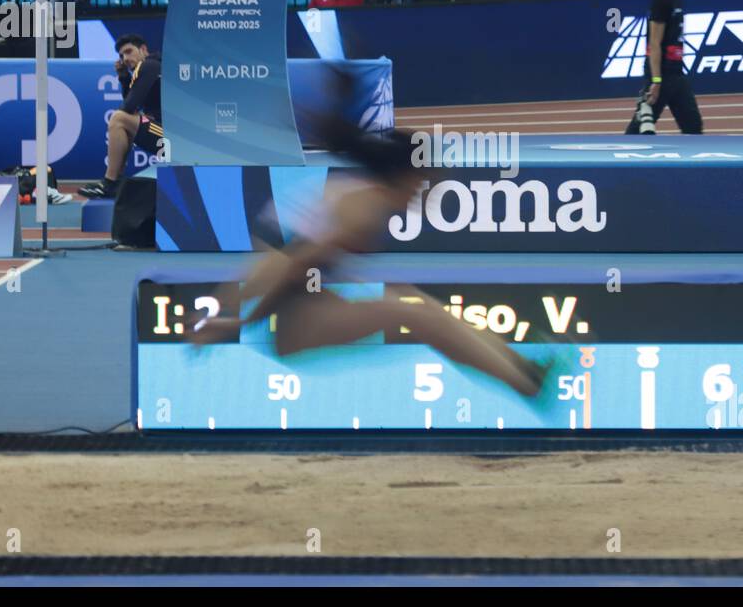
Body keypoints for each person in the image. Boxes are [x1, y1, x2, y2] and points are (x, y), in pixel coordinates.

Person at [188, 69, 566, 402]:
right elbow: (287, 267)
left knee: (410, 298)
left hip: (302, 303)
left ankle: (524, 368)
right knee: (412, 313)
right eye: (424, 182)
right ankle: (526, 386)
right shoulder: (362, 212)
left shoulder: (359, 194)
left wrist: (225, 311)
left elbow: (279, 259)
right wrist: (235, 322)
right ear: (403, 177)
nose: (427, 191)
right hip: (291, 324)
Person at [625, 0, 702, 136]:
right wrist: (656, 81)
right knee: (639, 131)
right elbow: (654, 43)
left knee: (693, 126)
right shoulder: (662, 1)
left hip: (677, 75)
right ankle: (620, 158)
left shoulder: (677, 0)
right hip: (661, 76)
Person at [79, 34, 162, 199]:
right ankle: (114, 183)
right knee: (125, 120)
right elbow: (131, 107)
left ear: (144, 50)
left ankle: (110, 183)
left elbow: (129, 107)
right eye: (122, 55)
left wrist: (126, 80)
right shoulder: (151, 67)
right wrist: (124, 77)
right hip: (165, 134)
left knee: (118, 119)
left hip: (173, 139)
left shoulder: (149, 65)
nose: (125, 58)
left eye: (129, 52)